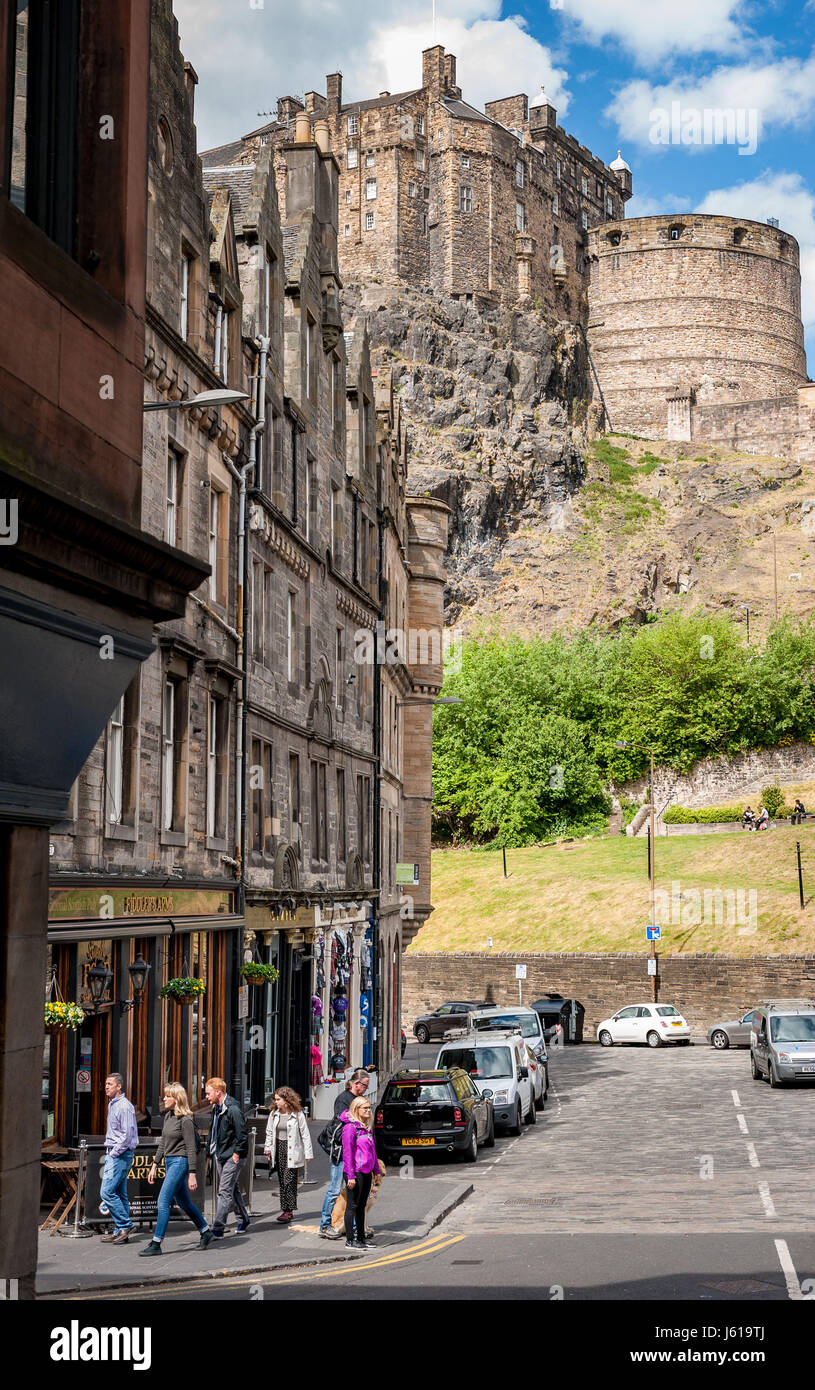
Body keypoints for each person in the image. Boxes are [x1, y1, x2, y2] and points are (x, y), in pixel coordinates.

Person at [140, 1083, 213, 1256]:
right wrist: (154, 1165)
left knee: (163, 1202)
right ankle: (205, 1231)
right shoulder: (168, 1117)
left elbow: (190, 1149)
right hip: (169, 1162)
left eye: (167, 1096)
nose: (163, 1099)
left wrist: (193, 1174)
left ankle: (156, 1243)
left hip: (181, 1163)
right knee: (184, 1202)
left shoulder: (186, 1119)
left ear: (176, 1099)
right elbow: (163, 1143)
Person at [319, 1068, 370, 1239]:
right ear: (356, 1084)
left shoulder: (356, 1099)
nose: (366, 1089)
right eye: (365, 1085)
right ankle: (325, 1225)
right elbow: (344, 1123)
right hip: (341, 1153)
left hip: (354, 1154)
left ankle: (354, 1226)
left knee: (352, 1191)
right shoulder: (343, 1100)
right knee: (334, 1189)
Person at [205, 1076, 251, 1238]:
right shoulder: (216, 1108)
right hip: (220, 1154)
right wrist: (209, 1152)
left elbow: (242, 1133)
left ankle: (218, 1228)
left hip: (232, 1156)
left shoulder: (232, 1109)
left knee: (224, 1190)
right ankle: (244, 1219)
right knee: (233, 1189)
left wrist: (237, 1153)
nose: (206, 1096)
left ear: (218, 1092)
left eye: (208, 1093)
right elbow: (213, 1132)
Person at [264, 1086, 313, 1224]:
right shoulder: (274, 1113)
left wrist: (308, 1153)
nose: (276, 1101)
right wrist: (268, 1149)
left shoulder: (297, 1114)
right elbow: (269, 1132)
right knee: (281, 1179)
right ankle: (284, 1208)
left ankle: (289, 1210)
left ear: (286, 1100)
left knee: (289, 1180)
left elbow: (305, 1134)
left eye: (278, 1099)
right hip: (278, 1148)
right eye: (276, 1098)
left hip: (292, 1150)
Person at [99, 1072, 138, 1244]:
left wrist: (114, 1152)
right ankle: (119, 1230)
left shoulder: (124, 1106)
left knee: (106, 1192)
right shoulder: (112, 1104)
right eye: (106, 1084)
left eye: (110, 1084)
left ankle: (125, 1225)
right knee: (120, 1194)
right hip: (114, 1154)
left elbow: (127, 1135)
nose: (106, 1087)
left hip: (119, 1155)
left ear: (119, 1086)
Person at [340, 1095, 379, 1250]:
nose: (369, 1110)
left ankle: (361, 1238)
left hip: (366, 1172)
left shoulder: (366, 1127)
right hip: (354, 1172)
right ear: (357, 1109)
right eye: (365, 1108)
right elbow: (347, 1154)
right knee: (352, 1205)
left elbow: (373, 1151)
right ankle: (350, 1240)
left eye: (369, 1108)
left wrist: (376, 1170)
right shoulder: (350, 1128)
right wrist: (350, 1176)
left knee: (361, 1205)